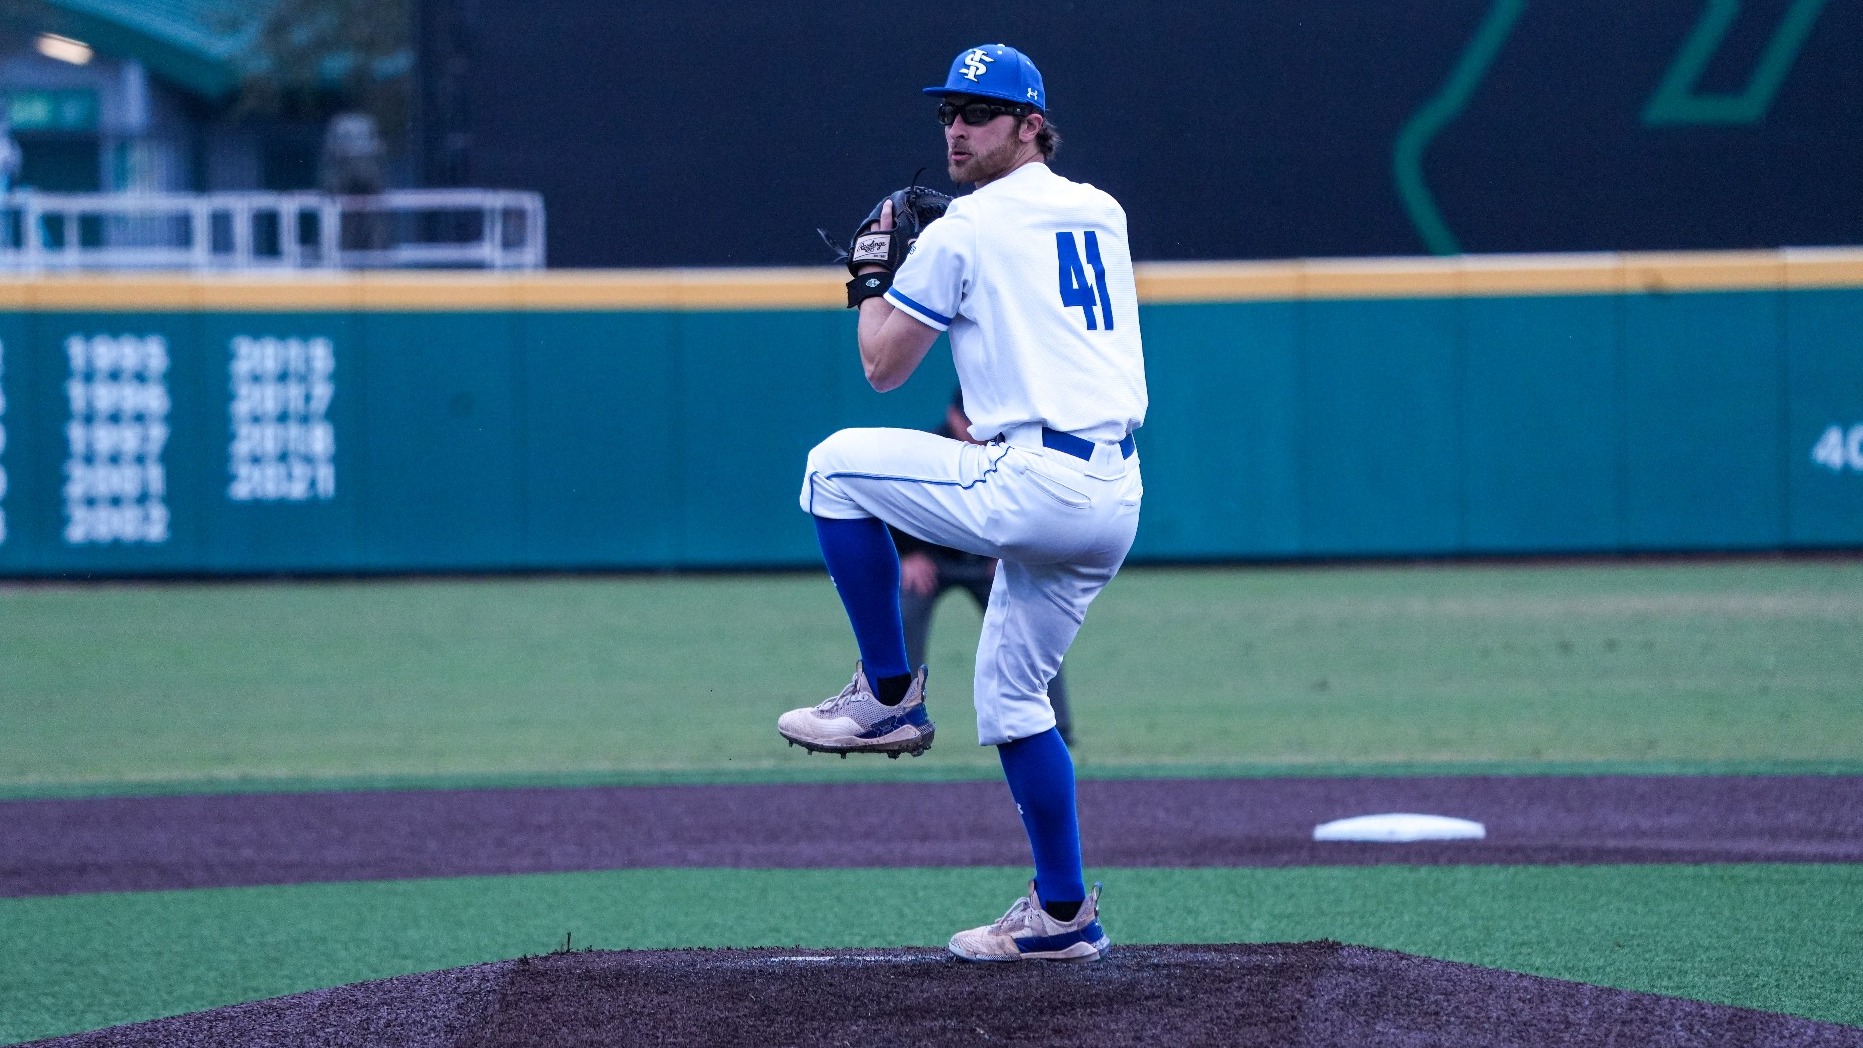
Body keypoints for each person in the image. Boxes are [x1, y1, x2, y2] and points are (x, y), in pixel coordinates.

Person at [777, 43, 1146, 963]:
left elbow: (880, 368)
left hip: (1036, 480)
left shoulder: (961, 233)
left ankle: (888, 693)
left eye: (978, 113)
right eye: (947, 112)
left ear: (1030, 124)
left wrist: (869, 278)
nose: (955, 128)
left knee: (831, 467)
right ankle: (1064, 915)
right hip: (1114, 492)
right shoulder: (1100, 210)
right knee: (1013, 698)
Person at [893, 389, 1074, 745]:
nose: (977, 430)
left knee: (1033, 622)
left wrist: (1011, 555)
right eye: (969, 420)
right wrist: (906, 555)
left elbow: (1032, 508)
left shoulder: (1011, 449)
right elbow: (892, 503)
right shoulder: (928, 452)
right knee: (904, 613)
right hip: (933, 562)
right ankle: (898, 722)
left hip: (989, 561)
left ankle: (1055, 727)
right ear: (953, 416)